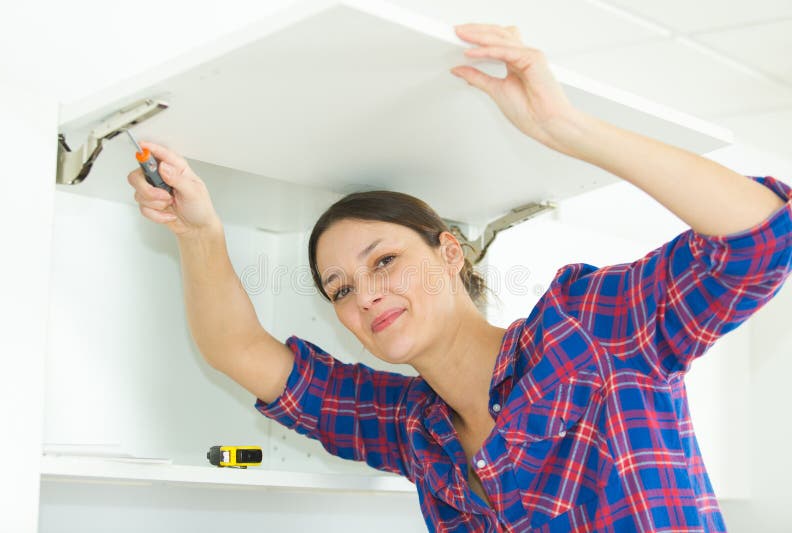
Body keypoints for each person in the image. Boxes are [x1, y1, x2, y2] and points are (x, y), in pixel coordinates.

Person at [127, 23, 792, 533]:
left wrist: (568, 129)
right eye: (340, 289)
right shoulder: (413, 430)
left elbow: (762, 236)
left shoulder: (587, 331)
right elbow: (238, 351)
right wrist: (199, 232)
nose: (365, 295)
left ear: (450, 252)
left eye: (382, 261)